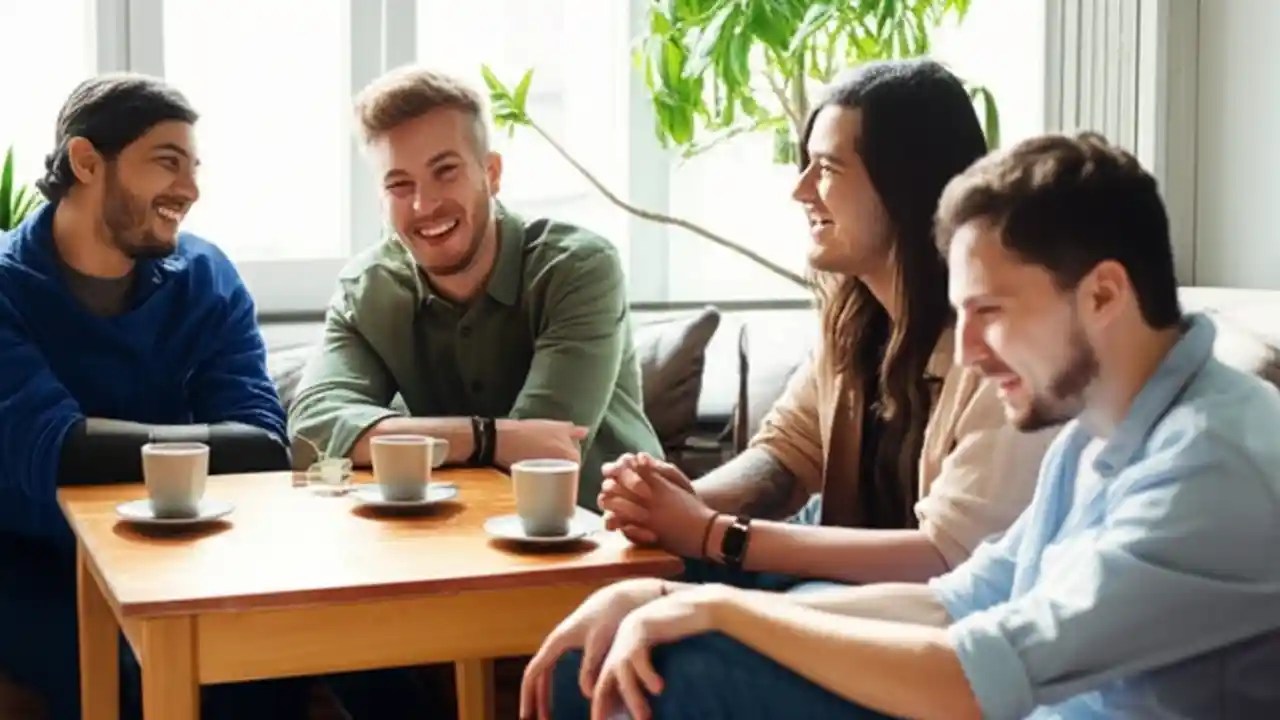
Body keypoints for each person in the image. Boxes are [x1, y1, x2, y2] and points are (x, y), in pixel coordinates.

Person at [523, 132, 1280, 720]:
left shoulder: (1212, 466)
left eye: (991, 313)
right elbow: (962, 596)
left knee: (654, 672)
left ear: (1104, 294)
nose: (973, 354)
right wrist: (671, 601)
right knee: (615, 649)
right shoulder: (1100, 429)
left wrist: (719, 606)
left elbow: (974, 677)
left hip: (989, 702)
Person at [597, 59, 1055, 589]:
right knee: (612, 590)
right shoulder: (855, 324)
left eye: (828, 168)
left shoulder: (1002, 355)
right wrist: (675, 504)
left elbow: (948, 557)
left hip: (926, 622)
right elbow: (784, 458)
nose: (802, 190)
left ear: (905, 186)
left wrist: (713, 532)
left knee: (638, 643)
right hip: (842, 586)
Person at [0, 75, 306, 719]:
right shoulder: (6, 287)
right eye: (167, 161)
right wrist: (211, 450)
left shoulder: (206, 276)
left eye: (193, 168)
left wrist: (99, 446)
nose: (190, 190)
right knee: (134, 684)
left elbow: (263, 442)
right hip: (29, 565)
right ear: (86, 161)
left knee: (273, 677)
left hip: (178, 553)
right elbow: (51, 455)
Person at [288, 65, 662, 505]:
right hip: (454, 544)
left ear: (492, 173)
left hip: (613, 539)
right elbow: (311, 434)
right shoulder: (368, 289)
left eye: (445, 171)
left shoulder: (578, 268)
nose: (423, 204)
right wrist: (487, 437)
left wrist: (400, 441)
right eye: (399, 185)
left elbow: (548, 455)